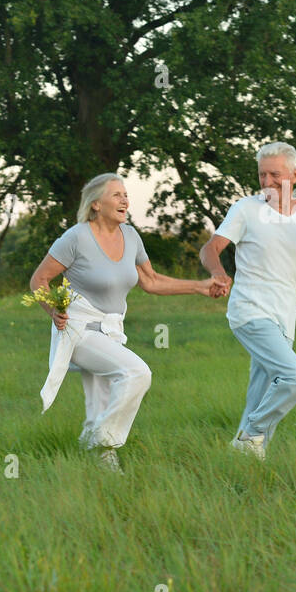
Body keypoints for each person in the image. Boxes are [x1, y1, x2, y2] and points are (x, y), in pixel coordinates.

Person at [29, 173, 226, 472]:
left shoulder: (130, 236)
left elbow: (152, 281)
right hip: (79, 330)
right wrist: (53, 309)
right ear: (96, 204)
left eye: (125, 194)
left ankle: (98, 459)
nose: (125, 200)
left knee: (99, 406)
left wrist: (200, 286)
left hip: (111, 330)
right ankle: (103, 442)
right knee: (136, 373)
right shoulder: (76, 237)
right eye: (116, 194)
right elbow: (39, 279)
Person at [199, 142, 296, 460]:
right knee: (294, 378)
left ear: (295, 174)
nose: (268, 181)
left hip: (284, 319)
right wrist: (218, 273)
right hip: (250, 312)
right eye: (262, 175)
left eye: (276, 174)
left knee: (262, 392)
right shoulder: (246, 209)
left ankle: (246, 459)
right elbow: (210, 249)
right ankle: (249, 437)